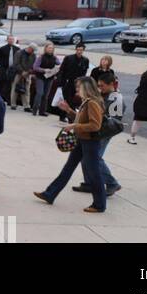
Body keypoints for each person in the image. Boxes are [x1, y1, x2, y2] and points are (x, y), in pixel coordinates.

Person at [34, 77, 107, 213]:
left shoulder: (93, 103)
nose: (77, 89)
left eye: (79, 87)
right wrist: (68, 110)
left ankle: (99, 204)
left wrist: (74, 125)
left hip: (90, 142)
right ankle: (50, 194)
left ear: (86, 88)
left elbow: (95, 125)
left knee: (94, 173)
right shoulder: (86, 102)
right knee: (68, 168)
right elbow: (82, 119)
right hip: (82, 140)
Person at [72, 71, 123, 196]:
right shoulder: (105, 95)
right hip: (98, 130)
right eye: (98, 86)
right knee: (86, 157)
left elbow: (112, 119)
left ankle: (112, 183)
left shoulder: (115, 98)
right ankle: (90, 183)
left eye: (102, 86)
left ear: (111, 84)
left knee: (95, 158)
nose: (100, 88)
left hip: (104, 131)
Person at [58, 43, 90, 111]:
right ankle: (64, 116)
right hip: (67, 82)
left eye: (81, 50)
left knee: (72, 99)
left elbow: (84, 73)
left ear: (83, 50)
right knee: (67, 99)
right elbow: (61, 70)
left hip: (77, 83)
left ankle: (70, 115)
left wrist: (81, 84)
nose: (79, 51)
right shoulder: (69, 58)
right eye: (78, 50)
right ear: (76, 49)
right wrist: (61, 81)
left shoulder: (85, 60)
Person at [32, 43, 59, 117]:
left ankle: (42, 111)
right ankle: (34, 109)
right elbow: (35, 67)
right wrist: (44, 70)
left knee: (46, 95)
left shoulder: (54, 57)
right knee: (40, 93)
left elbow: (59, 64)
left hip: (50, 77)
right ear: (45, 48)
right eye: (49, 48)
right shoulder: (41, 57)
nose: (50, 49)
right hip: (40, 77)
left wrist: (56, 69)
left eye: (52, 48)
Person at [11, 44, 36, 111]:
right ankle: (13, 104)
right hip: (18, 73)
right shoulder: (19, 53)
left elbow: (33, 65)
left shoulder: (33, 55)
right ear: (29, 48)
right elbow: (16, 64)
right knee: (15, 89)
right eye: (32, 50)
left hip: (28, 74)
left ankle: (26, 106)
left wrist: (29, 71)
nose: (33, 52)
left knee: (27, 90)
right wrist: (22, 71)